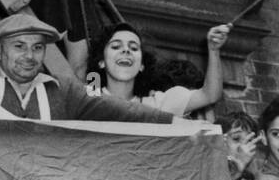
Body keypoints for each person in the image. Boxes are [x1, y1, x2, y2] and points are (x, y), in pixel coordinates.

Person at [0, 13, 176, 123]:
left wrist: (176, 124)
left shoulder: (64, 90)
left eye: (38, 47)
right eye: (19, 46)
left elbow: (121, 111)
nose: (29, 55)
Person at [92, 20, 230, 116]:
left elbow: (210, 95)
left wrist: (213, 50)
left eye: (134, 48)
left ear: (141, 65)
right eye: (116, 46)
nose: (126, 51)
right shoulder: (88, 101)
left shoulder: (159, 105)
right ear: (101, 62)